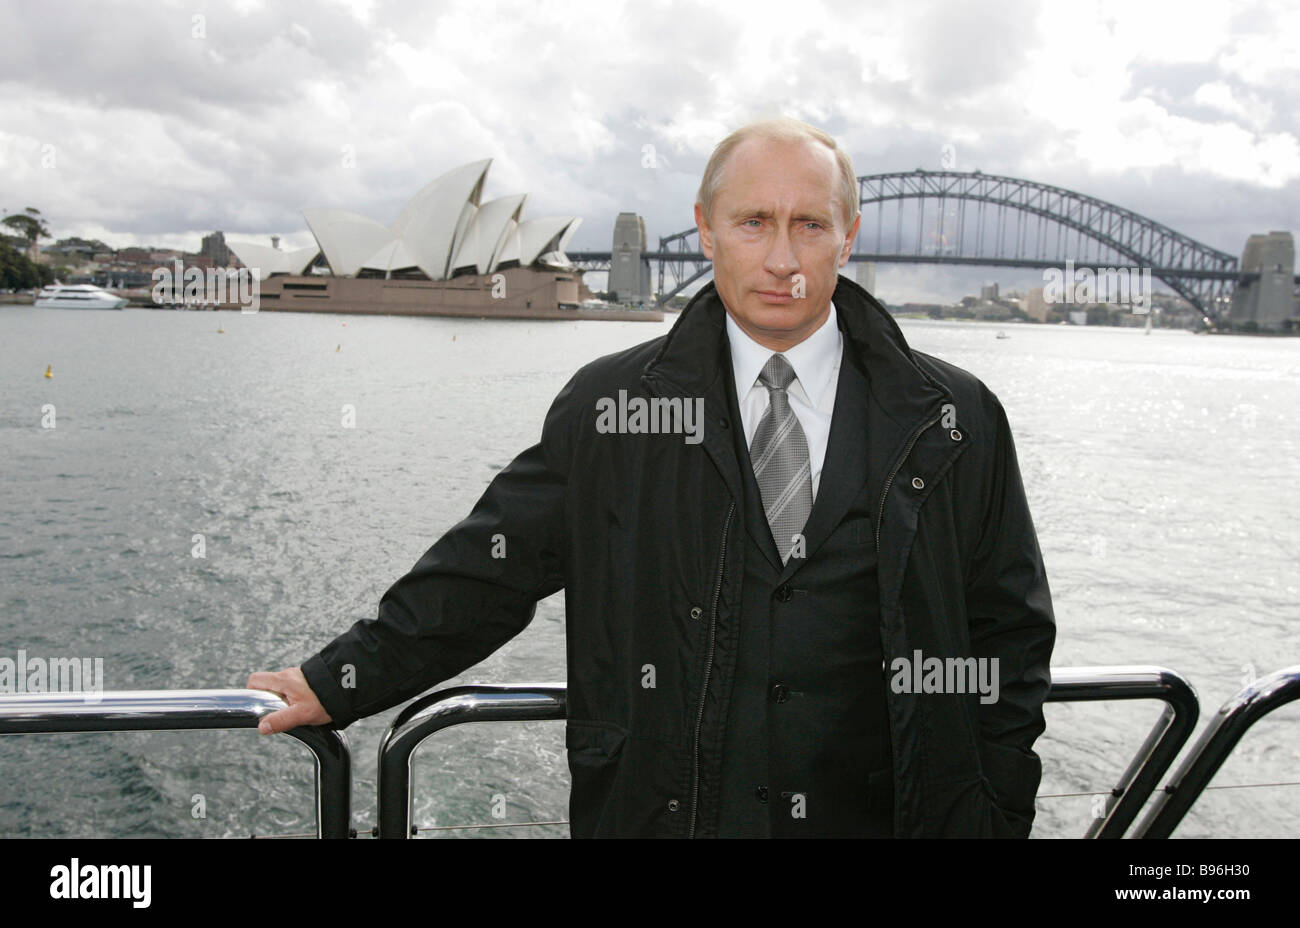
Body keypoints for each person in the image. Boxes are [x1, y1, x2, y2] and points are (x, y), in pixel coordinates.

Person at [248, 116, 1056, 838]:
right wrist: (343, 676)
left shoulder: (956, 416)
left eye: (809, 224)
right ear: (705, 232)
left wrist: (993, 808)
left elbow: (1008, 632)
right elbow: (492, 566)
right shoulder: (612, 406)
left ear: (847, 237)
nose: (782, 258)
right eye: (753, 223)